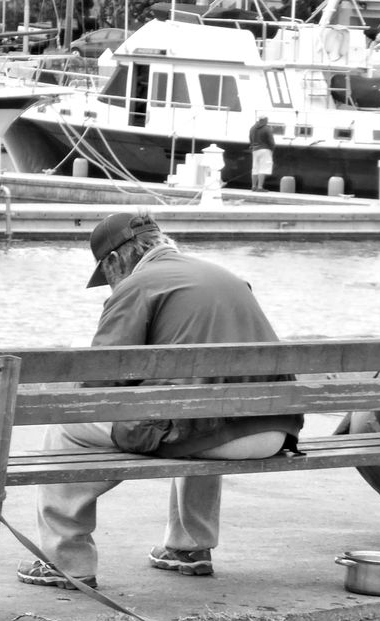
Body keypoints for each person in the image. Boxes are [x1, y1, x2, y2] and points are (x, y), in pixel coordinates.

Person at [17, 211, 303, 589]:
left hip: (209, 434)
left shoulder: (136, 286)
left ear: (116, 260)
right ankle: (189, 547)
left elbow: (101, 384)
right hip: (271, 434)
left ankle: (64, 560)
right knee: (206, 415)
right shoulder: (229, 277)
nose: (109, 286)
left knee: (68, 422)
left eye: (106, 276)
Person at [248, 112, 275, 192]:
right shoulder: (267, 128)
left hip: (255, 150)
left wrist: (252, 146)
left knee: (255, 168)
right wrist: (272, 149)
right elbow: (271, 141)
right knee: (263, 168)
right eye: (267, 119)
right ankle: (260, 187)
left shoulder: (252, 128)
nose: (267, 120)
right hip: (265, 150)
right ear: (265, 119)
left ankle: (253, 186)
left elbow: (250, 138)